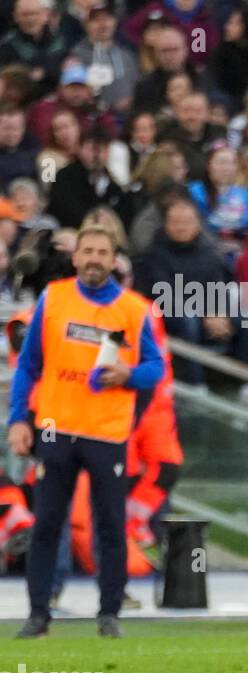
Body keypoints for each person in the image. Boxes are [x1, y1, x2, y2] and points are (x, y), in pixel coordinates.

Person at [7, 224, 164, 638]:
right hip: (55, 429)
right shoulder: (54, 299)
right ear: (75, 257)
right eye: (87, 251)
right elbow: (28, 366)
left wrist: (127, 373)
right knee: (47, 525)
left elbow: (156, 369)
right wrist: (18, 420)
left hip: (106, 434)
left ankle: (109, 613)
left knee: (111, 526)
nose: (94, 259)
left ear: (114, 260)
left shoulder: (133, 310)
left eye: (102, 252)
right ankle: (39, 614)